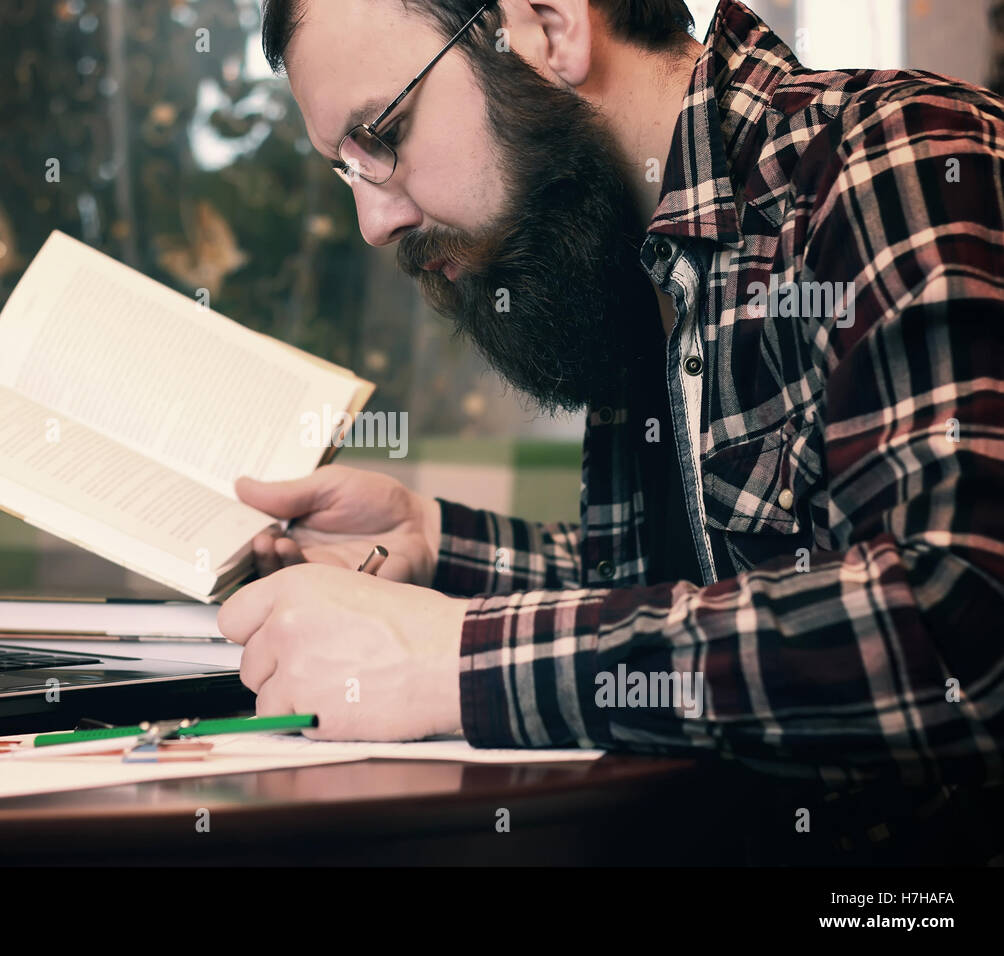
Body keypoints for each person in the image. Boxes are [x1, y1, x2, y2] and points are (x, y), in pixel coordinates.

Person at [217, 0, 1004, 862]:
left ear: (546, 26)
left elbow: (954, 618)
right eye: (346, 169)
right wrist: (434, 541)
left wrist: (454, 662)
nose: (375, 225)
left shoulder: (899, 153)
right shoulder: (629, 251)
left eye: (385, 132)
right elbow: (716, 586)